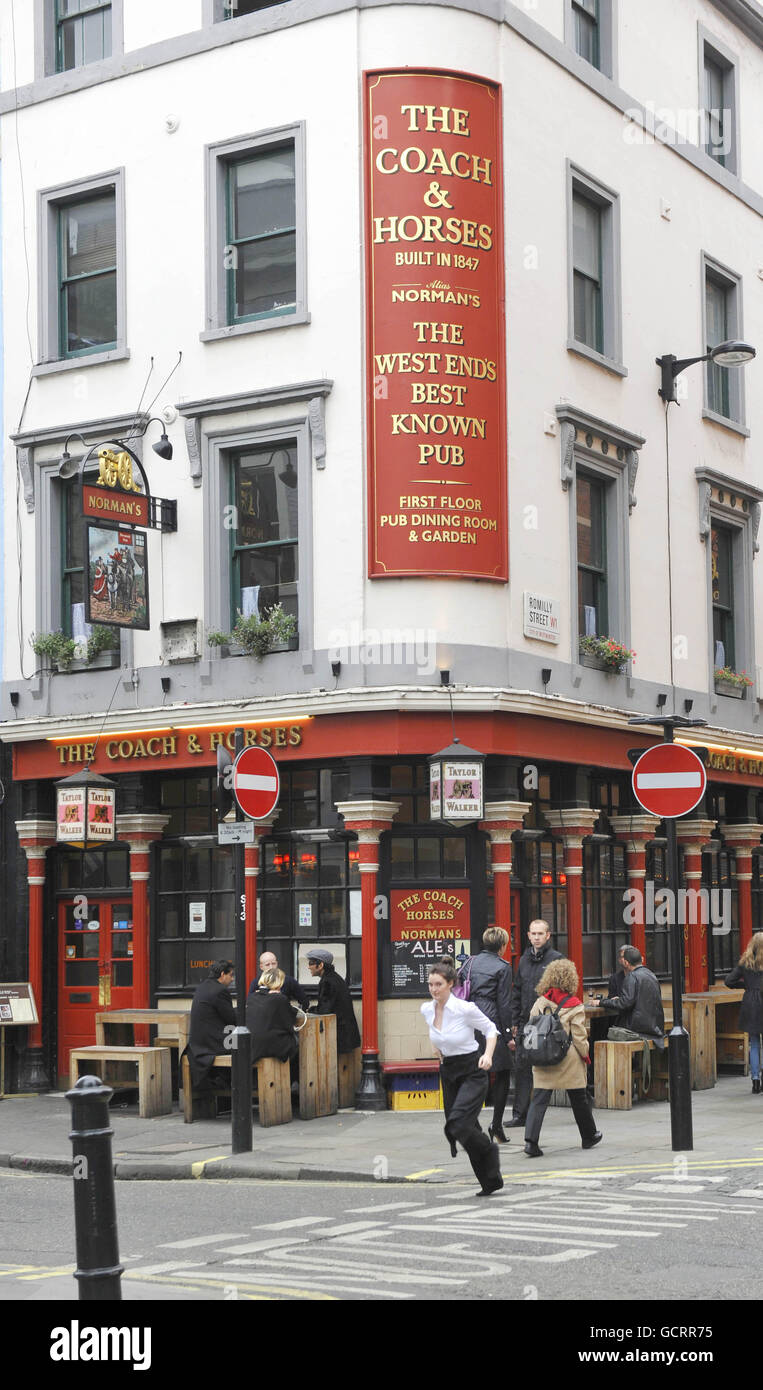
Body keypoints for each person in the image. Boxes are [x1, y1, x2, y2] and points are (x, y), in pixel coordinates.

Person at [421, 956, 503, 1196]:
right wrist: (436, 1048)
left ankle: (489, 1151)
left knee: (459, 1123)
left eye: (438, 984)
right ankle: (490, 1181)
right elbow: (434, 1032)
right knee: (465, 1128)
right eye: (430, 984)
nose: (434, 989)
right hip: (448, 1071)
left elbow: (490, 1029)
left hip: (472, 1071)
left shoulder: (464, 1008)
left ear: (450, 985)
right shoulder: (426, 1009)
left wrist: (488, 1055)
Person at [524, 956, 602, 1158]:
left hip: (542, 1056)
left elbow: (531, 1027)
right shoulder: (575, 1005)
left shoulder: (540, 1002)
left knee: (539, 1100)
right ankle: (589, 1135)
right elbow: (579, 1036)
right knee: (579, 1098)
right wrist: (585, 1056)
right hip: (567, 1059)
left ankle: (531, 1142)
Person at [461, 926, 513, 1142]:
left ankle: (472, 1123)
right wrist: (508, 1033)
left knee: (475, 1074)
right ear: (502, 946)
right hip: (492, 1021)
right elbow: (504, 1003)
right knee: (501, 1073)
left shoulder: (469, 962)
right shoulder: (503, 967)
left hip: (470, 1020)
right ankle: (496, 1126)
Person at [507, 920, 561, 1126]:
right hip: (525, 1022)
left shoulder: (556, 959)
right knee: (522, 1068)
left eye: (541, 933)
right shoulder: (523, 960)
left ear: (548, 935)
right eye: (533, 934)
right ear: (528, 935)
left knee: (545, 1067)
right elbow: (517, 991)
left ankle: (538, 1113)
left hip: (546, 1022)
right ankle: (519, 1115)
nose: (537, 937)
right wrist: (514, 1020)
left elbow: (561, 991)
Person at [593, 946, 665, 1047]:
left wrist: (601, 1002)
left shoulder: (631, 976)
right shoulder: (651, 975)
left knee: (604, 1033)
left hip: (636, 1029)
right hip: (654, 1028)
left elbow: (625, 1003)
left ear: (626, 963)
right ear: (641, 960)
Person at [186, 960, 236, 1090]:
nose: (232, 979)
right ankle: (241, 1086)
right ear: (222, 974)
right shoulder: (220, 991)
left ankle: (224, 1081)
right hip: (212, 1043)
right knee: (245, 1045)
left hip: (197, 1043)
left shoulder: (203, 986)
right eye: (230, 975)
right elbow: (232, 1019)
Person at [724, 932, 763, 1093]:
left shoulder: (745, 963)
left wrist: (746, 987)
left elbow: (728, 981)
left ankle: (755, 1081)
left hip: (751, 1004)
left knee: (754, 1043)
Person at [306, 948, 361, 1053]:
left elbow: (325, 1009)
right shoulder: (334, 978)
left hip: (340, 1036)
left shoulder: (327, 982)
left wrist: (310, 1010)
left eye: (311, 963)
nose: (308, 967)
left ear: (320, 965)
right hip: (346, 1035)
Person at [246, 967, 300, 1064]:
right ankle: (294, 1077)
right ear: (279, 982)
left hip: (252, 1045)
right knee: (297, 1040)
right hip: (271, 1044)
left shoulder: (252, 997)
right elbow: (289, 1022)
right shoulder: (280, 998)